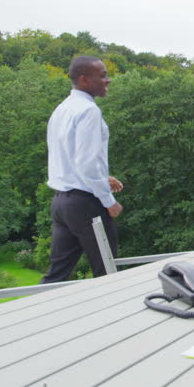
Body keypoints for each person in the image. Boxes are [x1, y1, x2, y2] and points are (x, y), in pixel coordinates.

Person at [40, 56, 124, 283]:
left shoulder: (62, 109)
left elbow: (67, 158)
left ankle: (33, 316)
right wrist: (109, 201)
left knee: (56, 277)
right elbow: (86, 163)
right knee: (107, 274)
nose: (108, 80)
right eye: (103, 75)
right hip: (86, 205)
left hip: (61, 203)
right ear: (85, 80)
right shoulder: (89, 111)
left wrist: (102, 177)